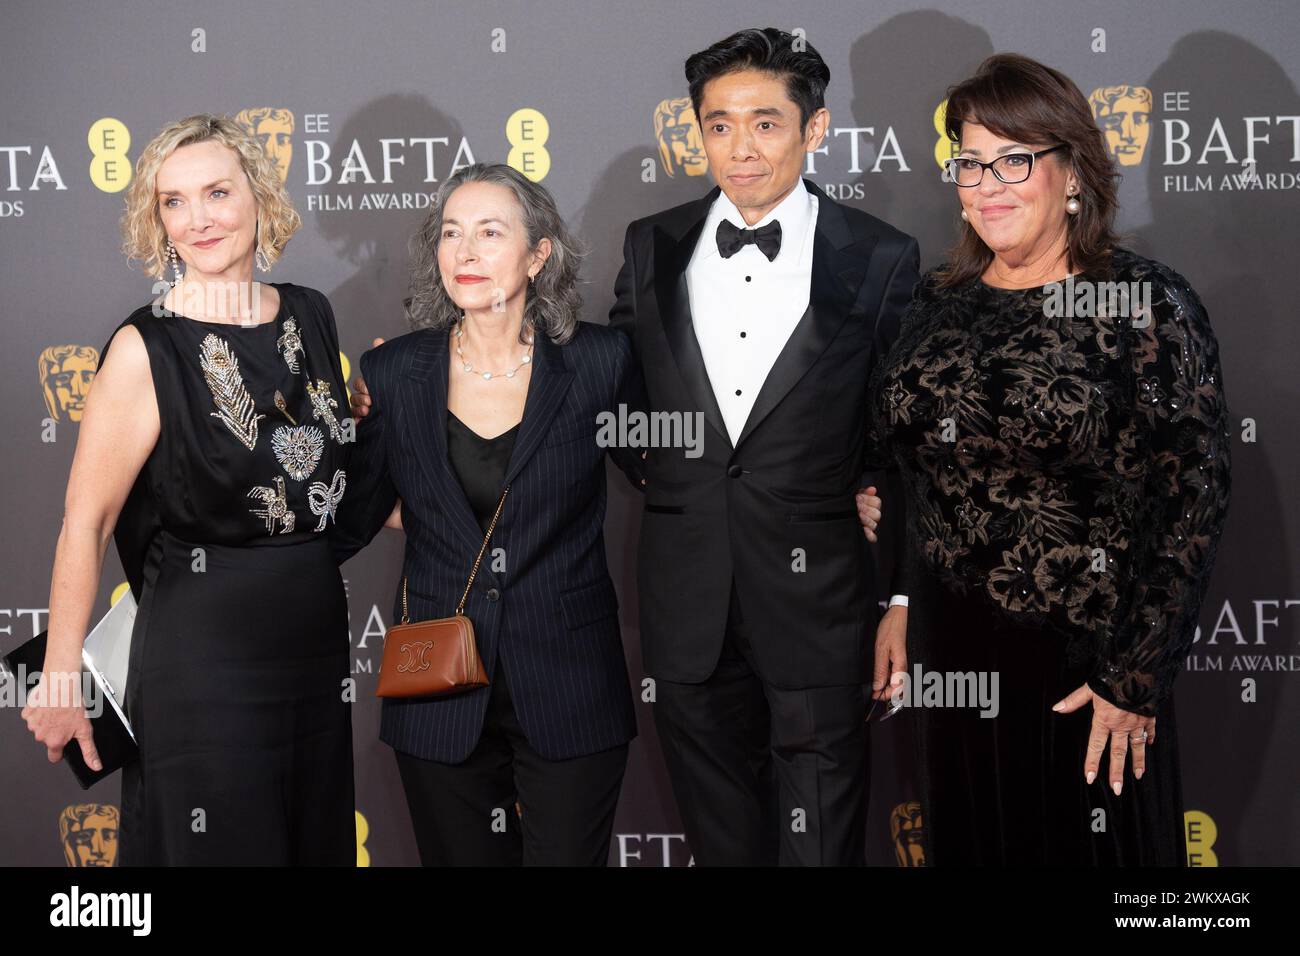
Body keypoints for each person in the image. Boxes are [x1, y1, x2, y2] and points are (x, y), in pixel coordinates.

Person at [867, 53, 1232, 864]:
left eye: (1014, 160)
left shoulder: (1146, 302)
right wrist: (898, 598)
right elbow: (903, 466)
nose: (986, 182)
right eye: (969, 162)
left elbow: (1194, 497)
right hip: (953, 659)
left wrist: (1133, 679)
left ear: (1072, 172)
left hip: (1082, 672)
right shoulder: (938, 298)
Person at [607, 28, 921, 866]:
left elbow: (901, 440)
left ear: (814, 130)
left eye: (766, 124)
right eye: (718, 125)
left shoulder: (881, 257)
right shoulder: (651, 246)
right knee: (722, 844)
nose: (739, 149)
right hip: (685, 601)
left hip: (820, 602)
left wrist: (898, 597)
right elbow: (618, 397)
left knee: (822, 842)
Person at [21, 114, 356, 865]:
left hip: (313, 653)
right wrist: (59, 674)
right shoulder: (147, 347)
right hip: (205, 663)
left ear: (259, 197)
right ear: (157, 221)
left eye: (216, 192)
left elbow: (317, 466)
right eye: (174, 202)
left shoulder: (310, 312)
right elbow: (87, 519)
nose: (198, 219)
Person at [334, 163, 644, 866]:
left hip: (570, 681)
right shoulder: (392, 373)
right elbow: (351, 514)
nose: (465, 254)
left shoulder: (598, 361)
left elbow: (672, 473)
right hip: (438, 689)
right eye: (450, 235)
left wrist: (816, 493)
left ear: (539, 254)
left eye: (489, 233)